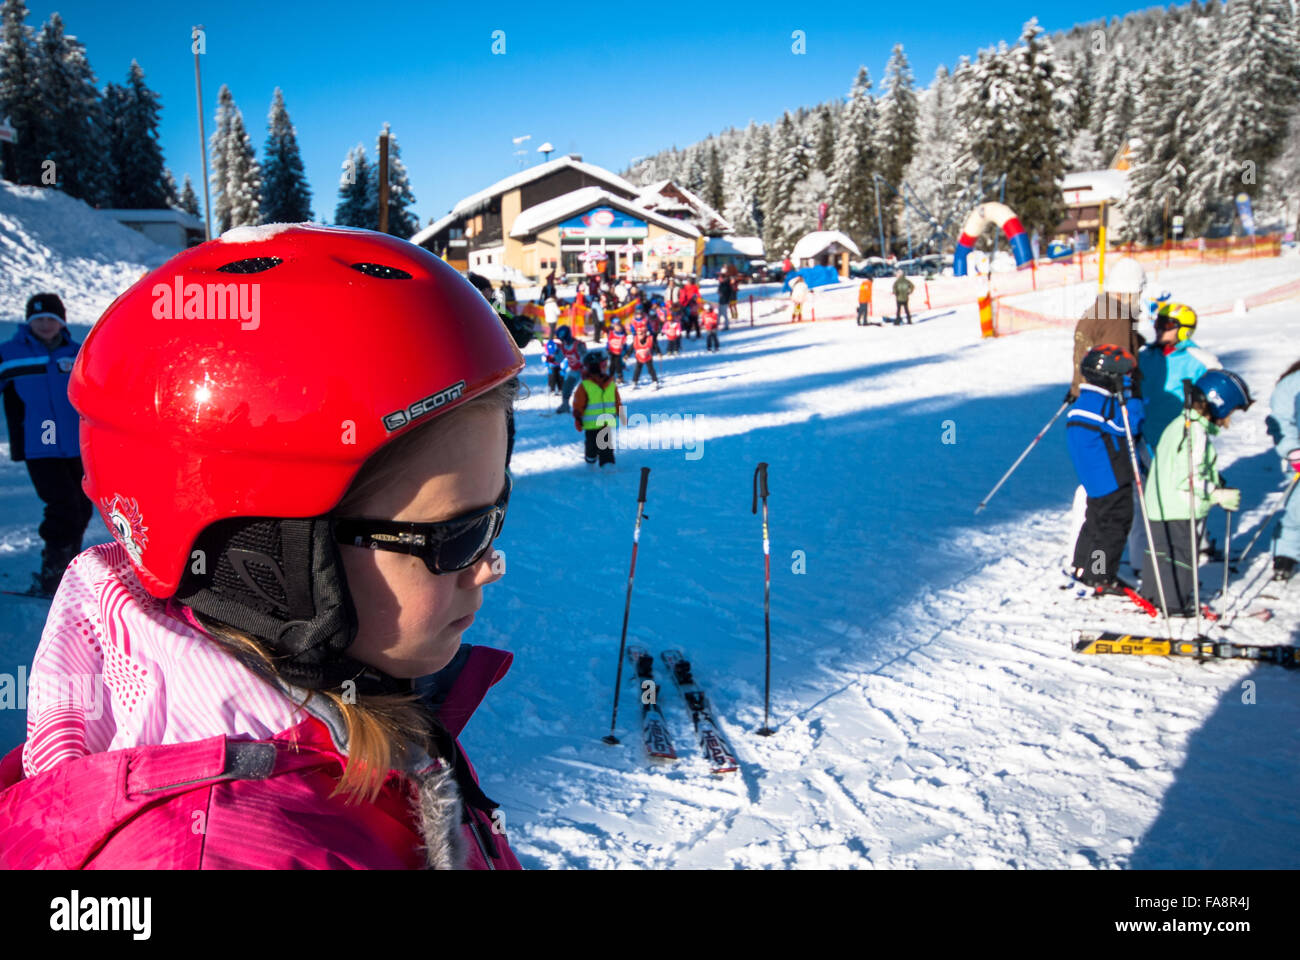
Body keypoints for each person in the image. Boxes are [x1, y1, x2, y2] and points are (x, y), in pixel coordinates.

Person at [0, 225, 526, 869]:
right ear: (264, 561)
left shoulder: (357, 691)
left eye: (493, 515)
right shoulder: (212, 856)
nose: (487, 568)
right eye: (457, 536)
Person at [0, 293, 96, 596]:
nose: (44, 325)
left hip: (75, 443)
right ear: (30, 322)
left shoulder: (77, 352)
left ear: (60, 322)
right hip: (42, 441)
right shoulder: (10, 353)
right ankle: (51, 578)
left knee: (81, 507)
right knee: (62, 506)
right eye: (38, 319)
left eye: (50, 319)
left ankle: (70, 573)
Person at [1141, 369, 1251, 616]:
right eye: (1230, 412)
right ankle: (1174, 603)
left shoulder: (1179, 424)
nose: (1228, 420)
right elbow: (1189, 478)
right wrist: (1217, 494)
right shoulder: (1196, 432)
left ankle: (1153, 594)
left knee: (1161, 550)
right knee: (1181, 556)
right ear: (1219, 404)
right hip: (1180, 505)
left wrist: (1215, 480)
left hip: (1160, 502)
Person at [1066, 345, 1145, 594]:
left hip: (1095, 477)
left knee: (1096, 522)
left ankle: (1083, 565)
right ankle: (1099, 574)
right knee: (1113, 525)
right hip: (1110, 477)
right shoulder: (1104, 405)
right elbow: (1128, 426)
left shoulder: (1086, 400)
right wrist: (1134, 400)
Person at [1138, 303, 1221, 444]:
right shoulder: (1144, 356)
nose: (1159, 329)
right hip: (1144, 438)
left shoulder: (1200, 360)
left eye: (1167, 325)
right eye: (1158, 323)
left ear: (1185, 330)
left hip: (1180, 439)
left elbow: (1217, 399)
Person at [1068, 257, 1147, 402]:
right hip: (1108, 400)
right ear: (1130, 292)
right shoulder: (1117, 320)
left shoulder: (1098, 310)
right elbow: (1118, 364)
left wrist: (1076, 387)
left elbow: (1090, 347)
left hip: (1088, 392)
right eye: (1139, 293)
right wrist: (1130, 399)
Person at [1265, 358, 1300, 580]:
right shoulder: (1293, 384)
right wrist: (1293, 450)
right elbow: (1280, 420)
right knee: (1297, 509)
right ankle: (1286, 554)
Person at [572, 350, 623, 469]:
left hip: (606, 422)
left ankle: (607, 463)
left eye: (606, 365)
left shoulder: (610, 383)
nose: (606, 368)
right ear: (594, 367)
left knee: (605, 445)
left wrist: (620, 411)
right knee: (591, 446)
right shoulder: (585, 386)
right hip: (591, 425)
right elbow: (578, 404)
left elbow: (617, 399)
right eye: (603, 365)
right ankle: (590, 459)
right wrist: (578, 418)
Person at [555, 323, 586, 414]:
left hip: (583, 369)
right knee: (566, 387)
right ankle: (565, 405)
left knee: (587, 388)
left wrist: (584, 365)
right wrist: (553, 356)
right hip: (574, 370)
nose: (564, 341)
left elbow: (585, 356)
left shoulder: (578, 344)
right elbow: (559, 358)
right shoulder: (563, 346)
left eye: (564, 339)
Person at [631, 322, 659, 389]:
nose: (641, 335)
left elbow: (655, 346)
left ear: (645, 333)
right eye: (639, 333)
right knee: (637, 370)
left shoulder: (649, 338)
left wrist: (658, 352)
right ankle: (634, 382)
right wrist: (627, 355)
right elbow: (631, 347)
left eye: (642, 333)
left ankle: (655, 381)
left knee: (650, 369)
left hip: (648, 357)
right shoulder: (635, 339)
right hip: (639, 357)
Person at [607, 320, 629, 384]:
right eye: (616, 327)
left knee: (618, 364)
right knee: (612, 365)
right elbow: (608, 342)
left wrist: (626, 351)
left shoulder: (623, 335)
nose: (618, 329)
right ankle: (611, 377)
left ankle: (620, 377)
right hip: (612, 351)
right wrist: (607, 348)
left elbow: (624, 344)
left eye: (619, 327)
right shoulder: (611, 333)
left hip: (618, 352)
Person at [543, 330, 565, 396]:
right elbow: (544, 360)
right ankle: (551, 389)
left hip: (560, 365)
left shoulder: (561, 350)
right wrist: (546, 364)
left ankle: (561, 389)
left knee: (560, 376)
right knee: (552, 376)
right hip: (551, 366)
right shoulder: (546, 351)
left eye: (553, 353)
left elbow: (565, 359)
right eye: (550, 354)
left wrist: (564, 366)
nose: (551, 355)